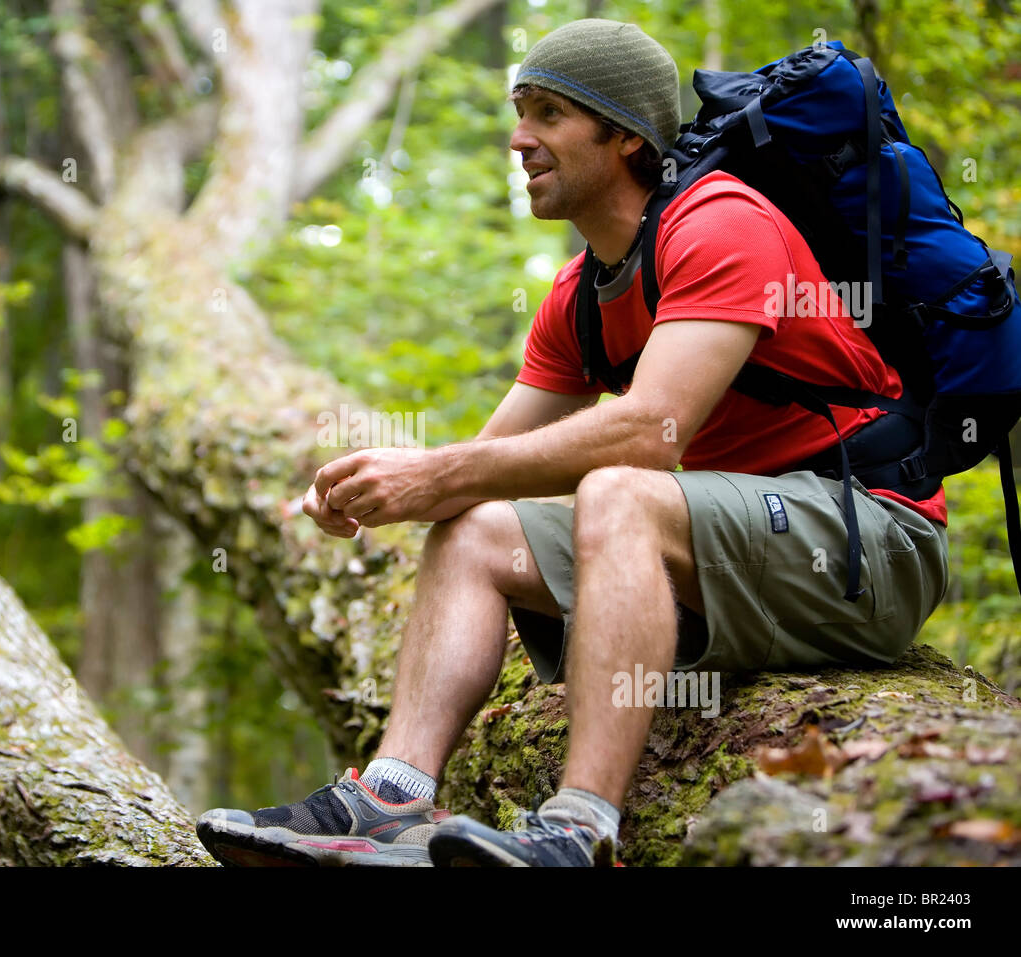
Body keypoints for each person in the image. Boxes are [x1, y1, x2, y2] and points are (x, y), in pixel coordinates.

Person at [195, 18, 949, 868]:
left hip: (870, 545)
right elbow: (477, 473)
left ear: (626, 134)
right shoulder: (580, 295)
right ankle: (389, 797)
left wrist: (435, 469)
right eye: (521, 112)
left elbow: (649, 430)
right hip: (733, 557)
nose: (521, 139)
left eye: (550, 113)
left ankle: (580, 827)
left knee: (619, 489)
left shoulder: (721, 223)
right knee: (477, 525)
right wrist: (361, 487)